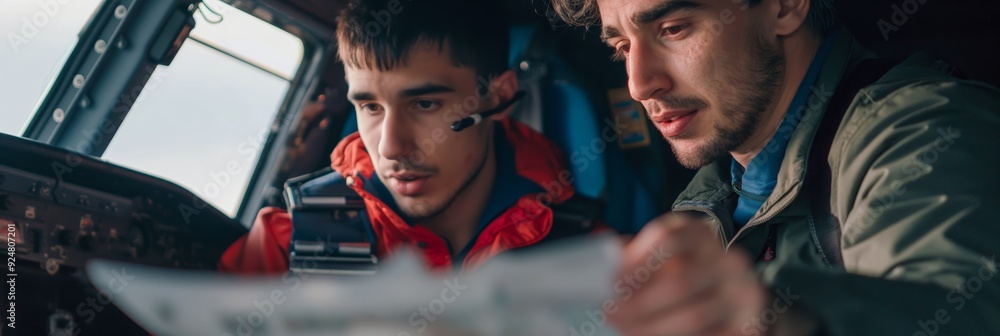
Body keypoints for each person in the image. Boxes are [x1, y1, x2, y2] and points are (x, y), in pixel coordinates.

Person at [550, 0, 1000, 335]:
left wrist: (780, 318)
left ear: (784, 7)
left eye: (673, 29)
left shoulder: (928, 130)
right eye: (623, 47)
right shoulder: (704, 208)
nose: (639, 84)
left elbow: (962, 314)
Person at [220, 0, 601, 274]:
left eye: (425, 104)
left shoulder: (584, 254)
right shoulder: (286, 246)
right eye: (370, 106)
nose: (390, 148)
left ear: (499, 97)